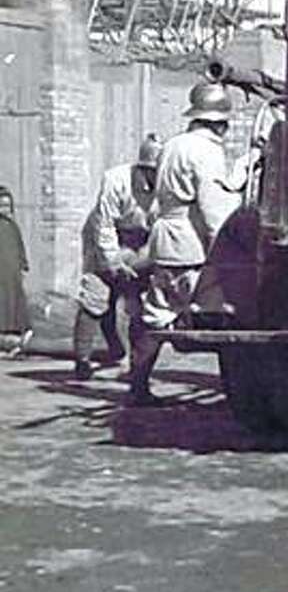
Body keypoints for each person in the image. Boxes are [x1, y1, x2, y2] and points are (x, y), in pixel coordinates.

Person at [127, 81, 240, 406]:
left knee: (156, 314)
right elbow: (212, 207)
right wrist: (226, 246)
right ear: (220, 122)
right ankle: (235, 391)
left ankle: (137, 387)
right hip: (192, 244)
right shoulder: (207, 151)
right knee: (223, 315)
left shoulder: (173, 145)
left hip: (165, 239)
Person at [72, 134, 163, 379]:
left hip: (140, 240)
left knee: (137, 300)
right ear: (142, 168)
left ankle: (130, 359)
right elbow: (104, 224)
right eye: (152, 172)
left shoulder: (167, 186)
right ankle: (82, 360)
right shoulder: (116, 179)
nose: (156, 178)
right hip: (104, 235)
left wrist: (145, 257)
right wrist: (113, 261)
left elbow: (161, 227)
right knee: (97, 294)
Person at [0, 187, 32, 357]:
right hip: (1, 274)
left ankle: (17, 332)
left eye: (7, 206)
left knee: (16, 301)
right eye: (1, 206)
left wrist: (24, 264)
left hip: (13, 273)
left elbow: (19, 246)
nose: (4, 209)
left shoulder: (13, 226)